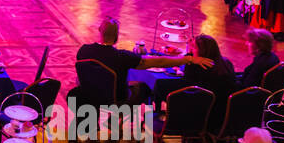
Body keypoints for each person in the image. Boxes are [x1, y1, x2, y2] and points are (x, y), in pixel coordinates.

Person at [76, 17, 213, 104]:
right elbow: (157, 62)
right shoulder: (122, 56)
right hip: (115, 99)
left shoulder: (83, 50)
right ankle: (127, 123)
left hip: (89, 94)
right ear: (117, 36)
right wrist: (187, 58)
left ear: (100, 31)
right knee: (143, 88)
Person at [183, 34, 236, 131]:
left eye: (193, 48)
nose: (191, 50)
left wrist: (189, 57)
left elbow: (187, 89)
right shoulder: (226, 63)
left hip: (203, 117)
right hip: (225, 117)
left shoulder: (197, 67)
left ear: (202, 51)